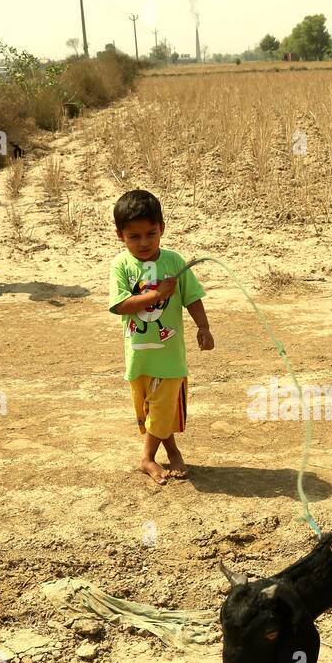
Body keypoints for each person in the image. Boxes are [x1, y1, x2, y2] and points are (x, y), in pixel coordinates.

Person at [108, 190, 214, 484]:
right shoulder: (121, 265)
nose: (144, 243)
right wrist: (156, 294)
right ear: (121, 235)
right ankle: (173, 451)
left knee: (163, 406)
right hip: (139, 355)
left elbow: (191, 297)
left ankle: (147, 458)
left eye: (151, 234)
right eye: (134, 237)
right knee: (152, 410)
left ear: (162, 229)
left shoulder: (174, 262)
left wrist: (203, 327)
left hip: (170, 357)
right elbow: (119, 305)